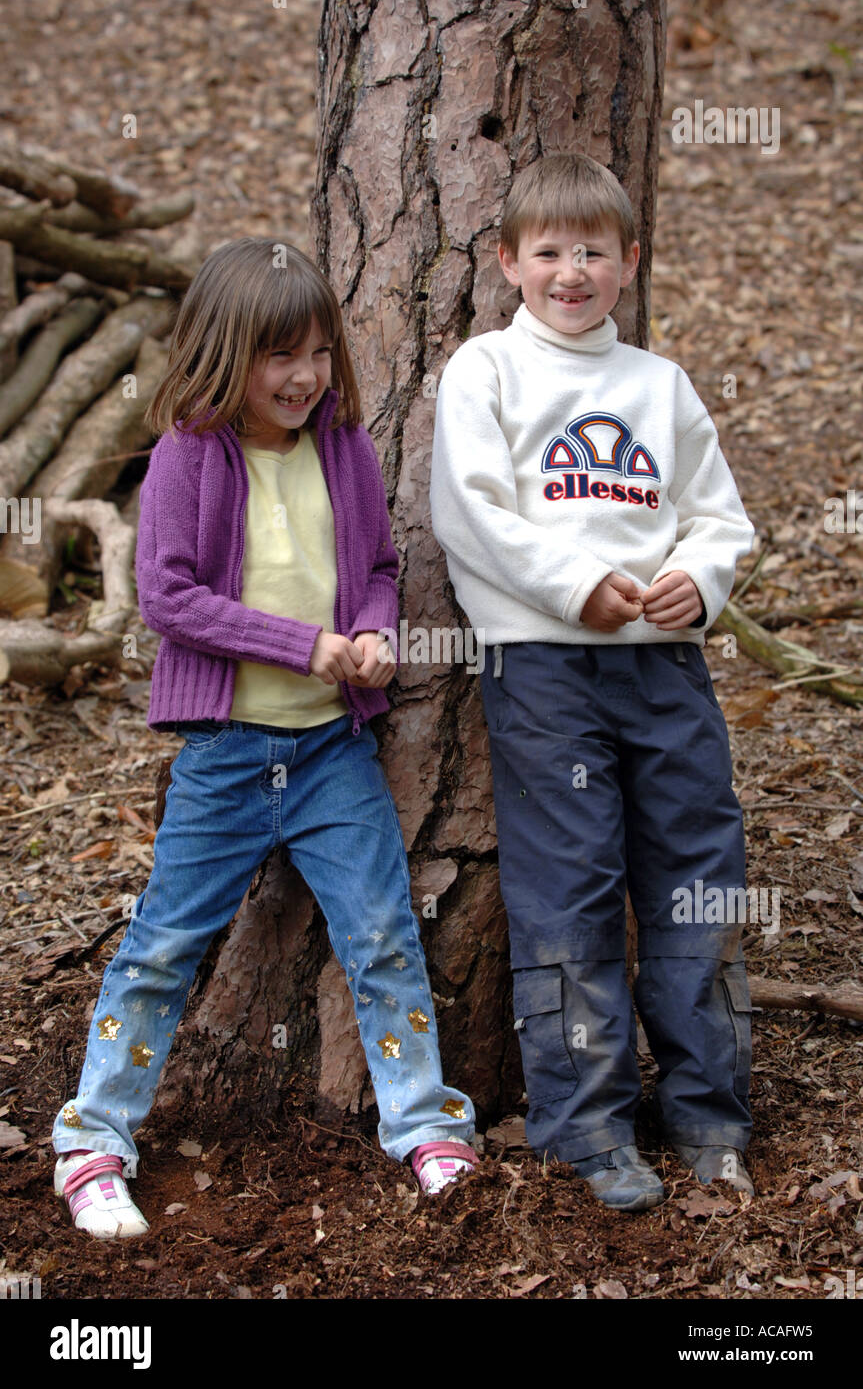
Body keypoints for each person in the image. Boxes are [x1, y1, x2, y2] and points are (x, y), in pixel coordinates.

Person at [52, 238, 477, 1238]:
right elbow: (168, 596)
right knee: (163, 946)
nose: (303, 377)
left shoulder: (344, 450)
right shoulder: (185, 458)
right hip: (226, 754)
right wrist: (306, 643)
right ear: (221, 354)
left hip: (334, 753)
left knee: (378, 935)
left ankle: (426, 1126)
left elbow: (375, 564)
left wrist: (370, 630)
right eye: (277, 356)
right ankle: (93, 1140)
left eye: (318, 352)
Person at [430, 154, 756, 1212]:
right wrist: (579, 585)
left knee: (695, 868)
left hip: (664, 668)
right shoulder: (486, 371)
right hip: (544, 667)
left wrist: (690, 581)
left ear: (627, 260)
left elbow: (717, 518)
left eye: (591, 251)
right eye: (547, 252)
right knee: (567, 886)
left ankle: (708, 1108)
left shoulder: (657, 387)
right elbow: (471, 511)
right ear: (507, 263)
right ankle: (584, 1123)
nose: (570, 272)